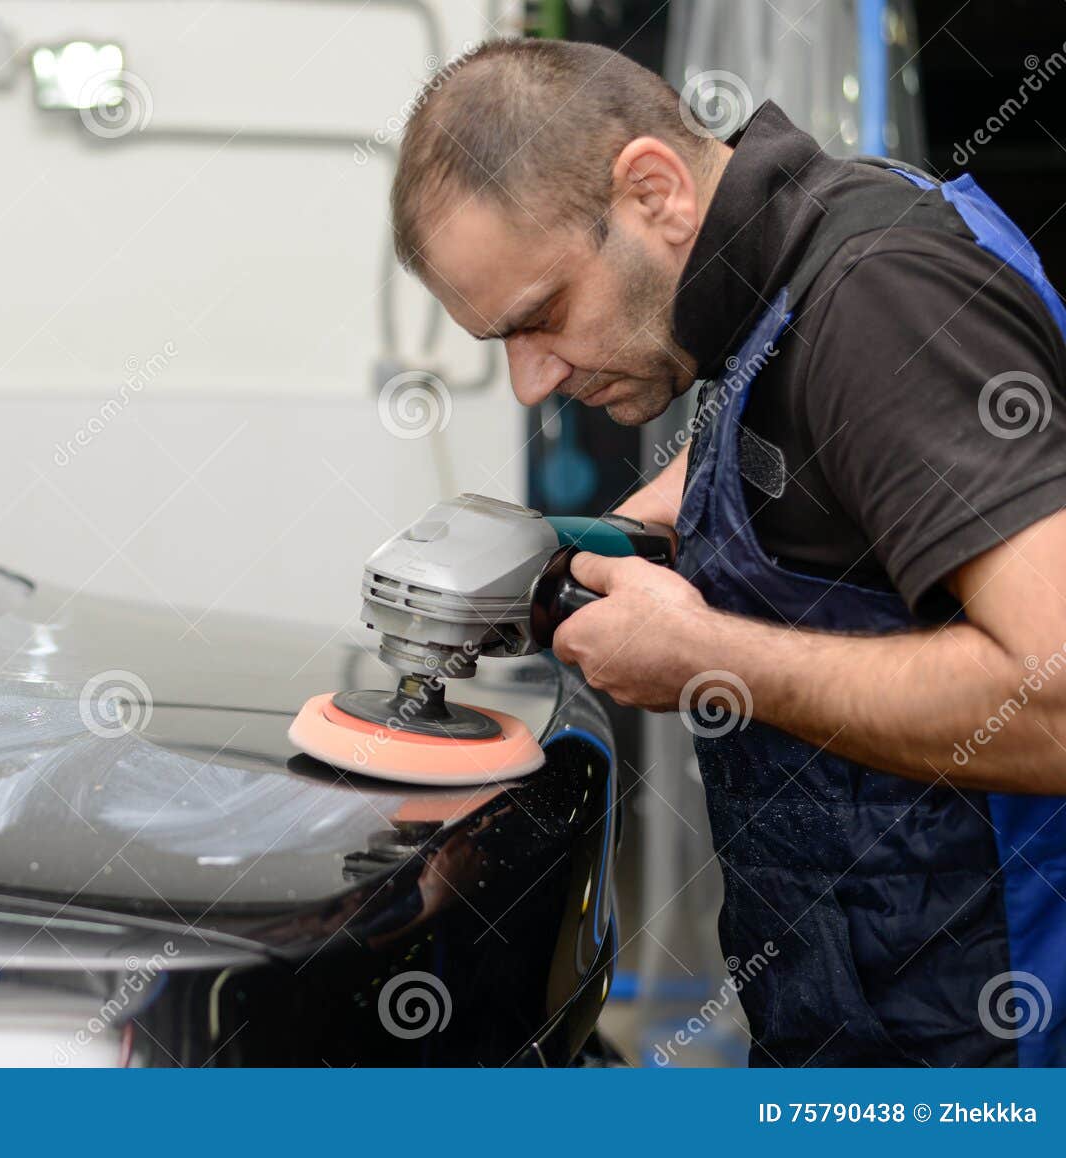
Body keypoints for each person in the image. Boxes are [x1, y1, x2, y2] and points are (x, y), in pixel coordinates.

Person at [390, 37, 1066, 1066]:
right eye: (502, 344)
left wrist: (709, 660)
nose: (530, 382)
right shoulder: (794, 260)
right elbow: (812, 489)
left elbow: (1052, 696)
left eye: (542, 317)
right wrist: (606, 545)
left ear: (653, 190)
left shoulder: (880, 305)